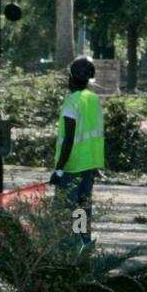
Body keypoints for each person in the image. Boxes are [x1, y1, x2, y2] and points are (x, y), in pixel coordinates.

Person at [50, 56, 104, 243]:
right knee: (82, 207)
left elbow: (69, 139)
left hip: (72, 166)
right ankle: (83, 241)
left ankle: (72, 245)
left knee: (67, 209)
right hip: (90, 164)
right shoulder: (94, 99)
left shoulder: (72, 101)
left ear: (70, 78)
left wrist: (59, 169)